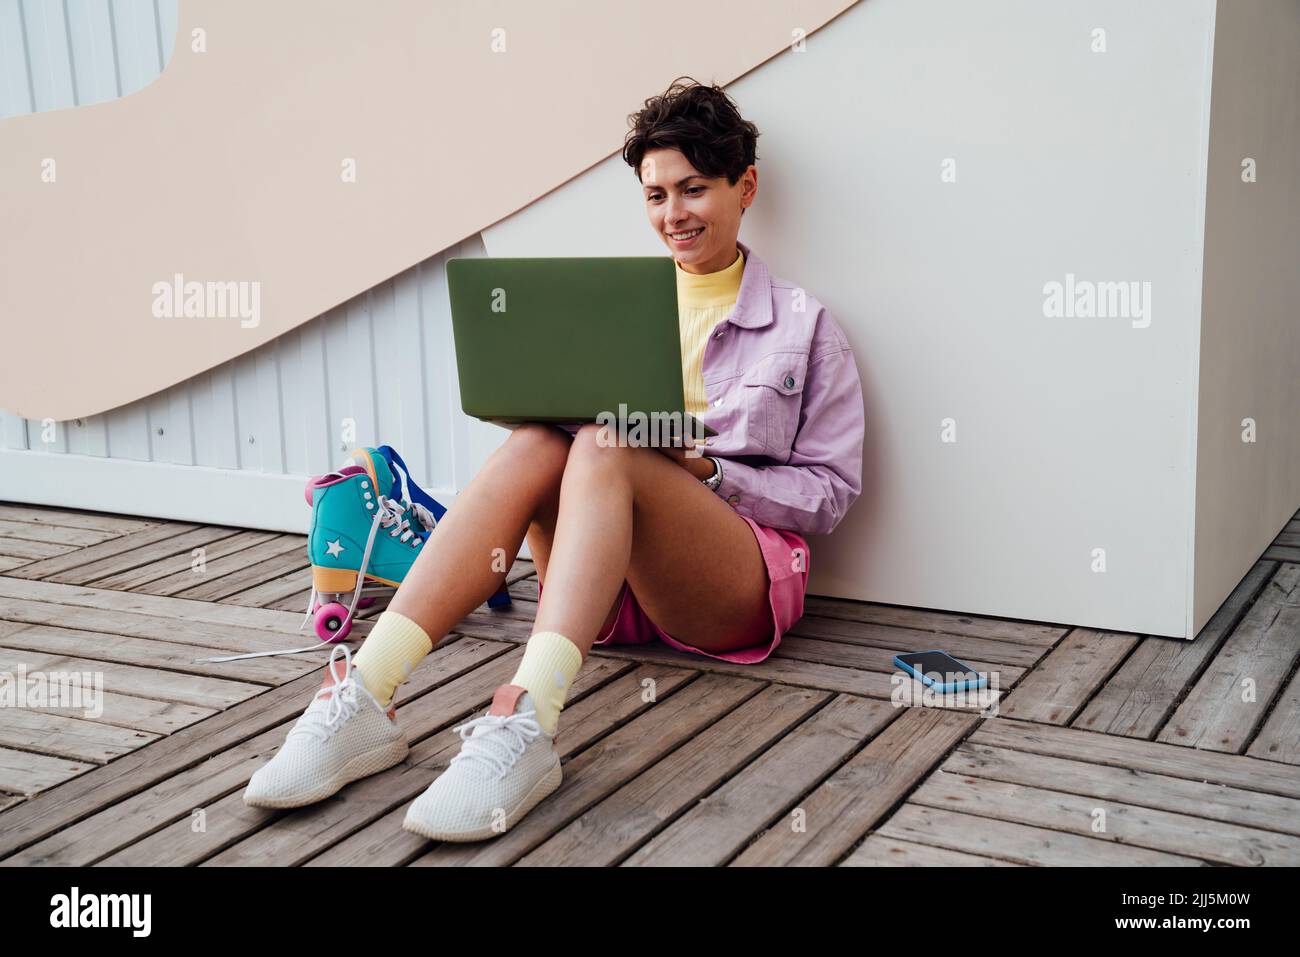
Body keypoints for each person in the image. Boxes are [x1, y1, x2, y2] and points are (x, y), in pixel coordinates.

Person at [243, 76, 866, 843]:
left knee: (609, 442)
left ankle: (526, 720)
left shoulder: (804, 326)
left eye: (694, 189)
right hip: (602, 581)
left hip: (727, 584)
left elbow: (831, 493)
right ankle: (365, 693)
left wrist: (702, 470)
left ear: (746, 186)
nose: (673, 214)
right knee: (542, 438)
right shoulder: (608, 305)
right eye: (654, 195)